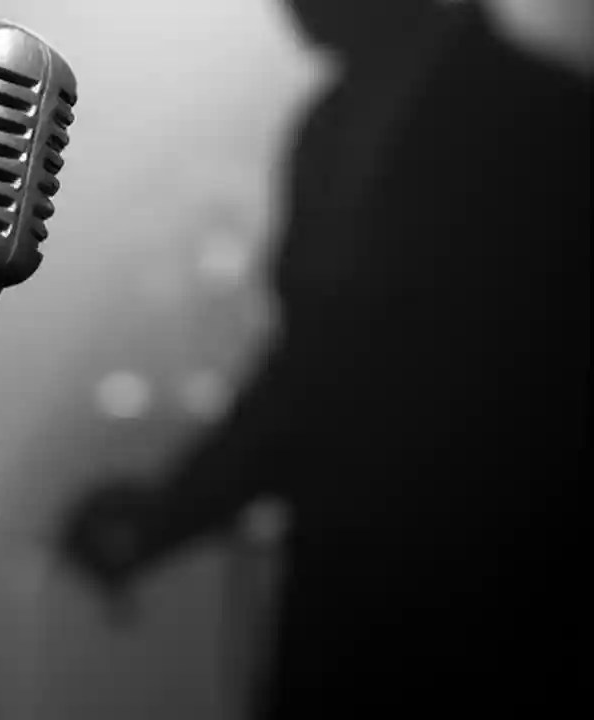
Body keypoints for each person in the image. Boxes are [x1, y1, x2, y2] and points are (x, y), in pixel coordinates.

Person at [58, 1, 589, 717]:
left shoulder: (549, 124)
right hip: (359, 600)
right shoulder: (337, 124)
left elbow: (330, 370)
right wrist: (174, 509)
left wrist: (178, 508)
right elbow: (316, 368)